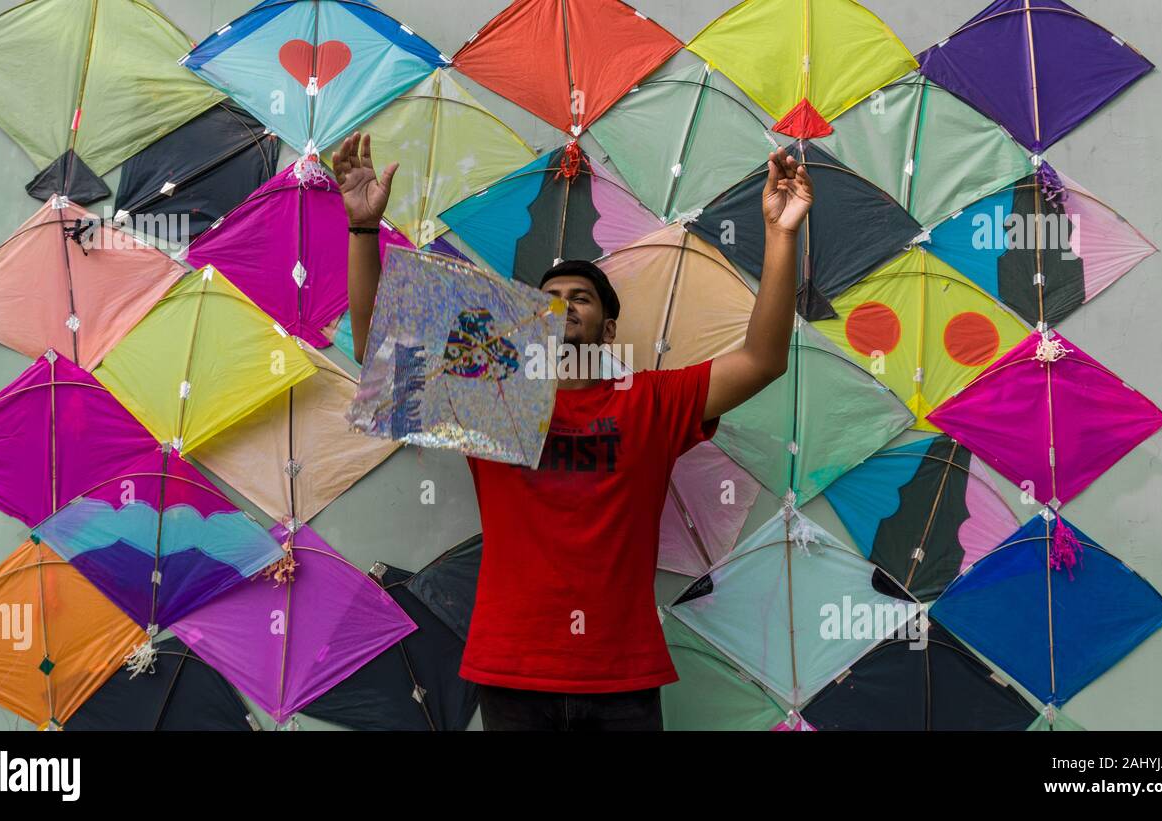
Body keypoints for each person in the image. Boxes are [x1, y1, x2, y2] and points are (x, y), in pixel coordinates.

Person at [333, 132, 813, 731]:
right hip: (511, 670)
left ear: (607, 329)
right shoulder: (491, 395)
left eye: (580, 299)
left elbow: (763, 360)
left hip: (622, 677)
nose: (564, 307)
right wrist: (361, 231)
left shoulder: (651, 400)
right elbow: (376, 351)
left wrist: (782, 234)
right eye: (551, 299)